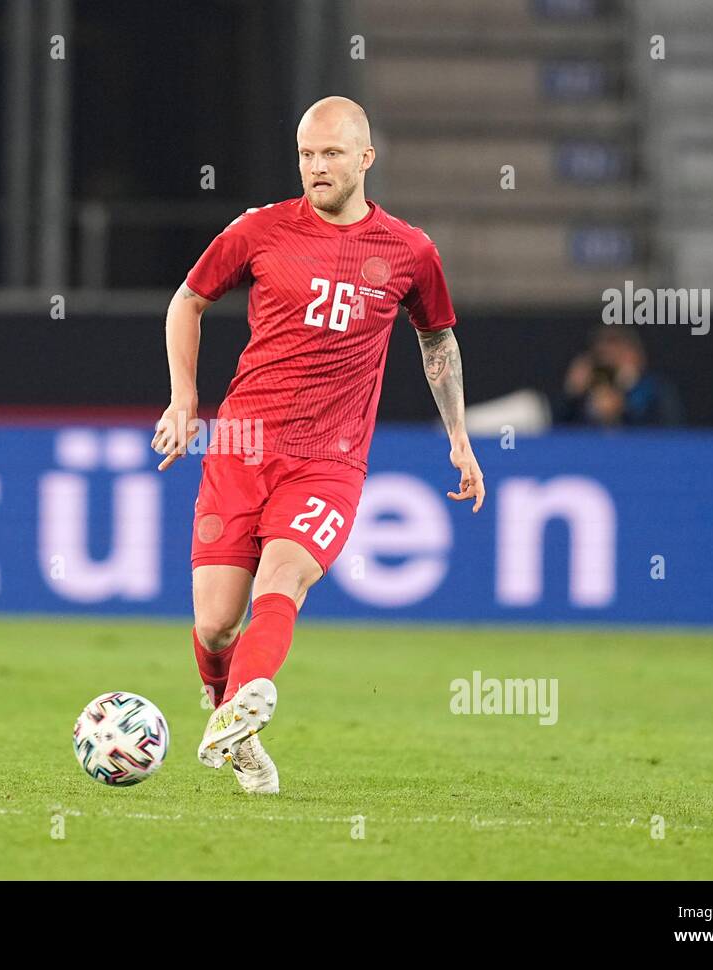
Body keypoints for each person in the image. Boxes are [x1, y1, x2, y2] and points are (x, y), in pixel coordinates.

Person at [149, 96, 484, 795]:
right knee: (214, 625)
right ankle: (226, 713)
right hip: (240, 446)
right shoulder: (261, 230)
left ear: (366, 158)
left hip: (329, 461)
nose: (317, 167)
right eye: (306, 154)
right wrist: (185, 399)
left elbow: (437, 339)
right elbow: (188, 299)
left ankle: (253, 694)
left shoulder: (410, 252)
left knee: (282, 582)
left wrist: (459, 435)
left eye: (332, 153)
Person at [557, 328, 684, 427]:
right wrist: (572, 395)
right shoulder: (583, 397)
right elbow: (556, 431)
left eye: (617, 356)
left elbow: (669, 431)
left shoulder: (654, 390)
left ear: (635, 355)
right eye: (602, 357)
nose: (609, 364)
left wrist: (624, 408)